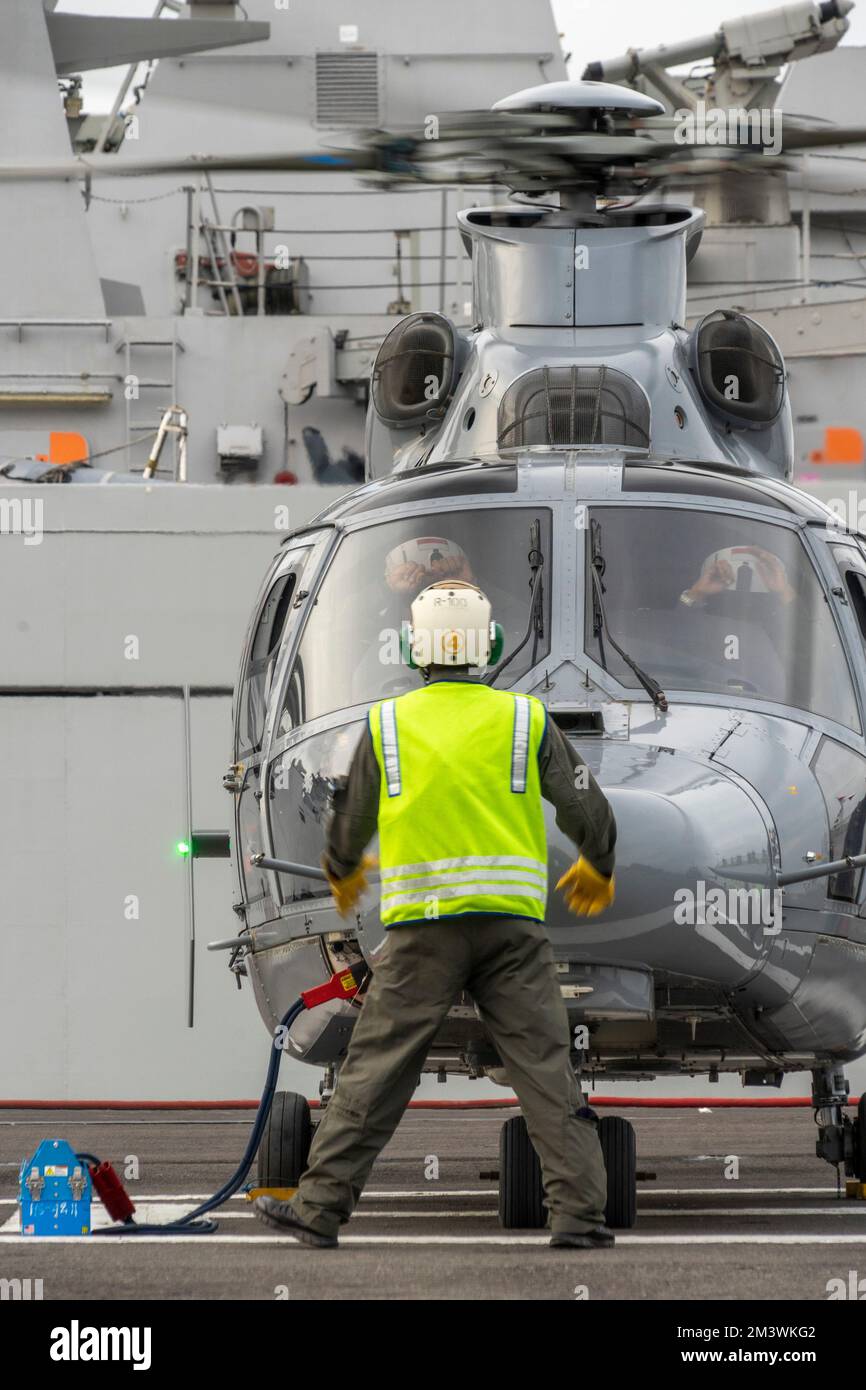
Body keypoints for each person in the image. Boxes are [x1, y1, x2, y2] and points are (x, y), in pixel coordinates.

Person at [254, 579, 617, 1250]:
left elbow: (350, 816)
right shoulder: (525, 720)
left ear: (413, 649)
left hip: (423, 932)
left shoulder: (387, 724)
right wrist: (597, 863)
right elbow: (588, 807)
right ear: (491, 648)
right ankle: (579, 1218)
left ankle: (320, 1209)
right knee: (543, 1068)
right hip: (512, 930)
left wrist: (342, 868)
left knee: (378, 1066)